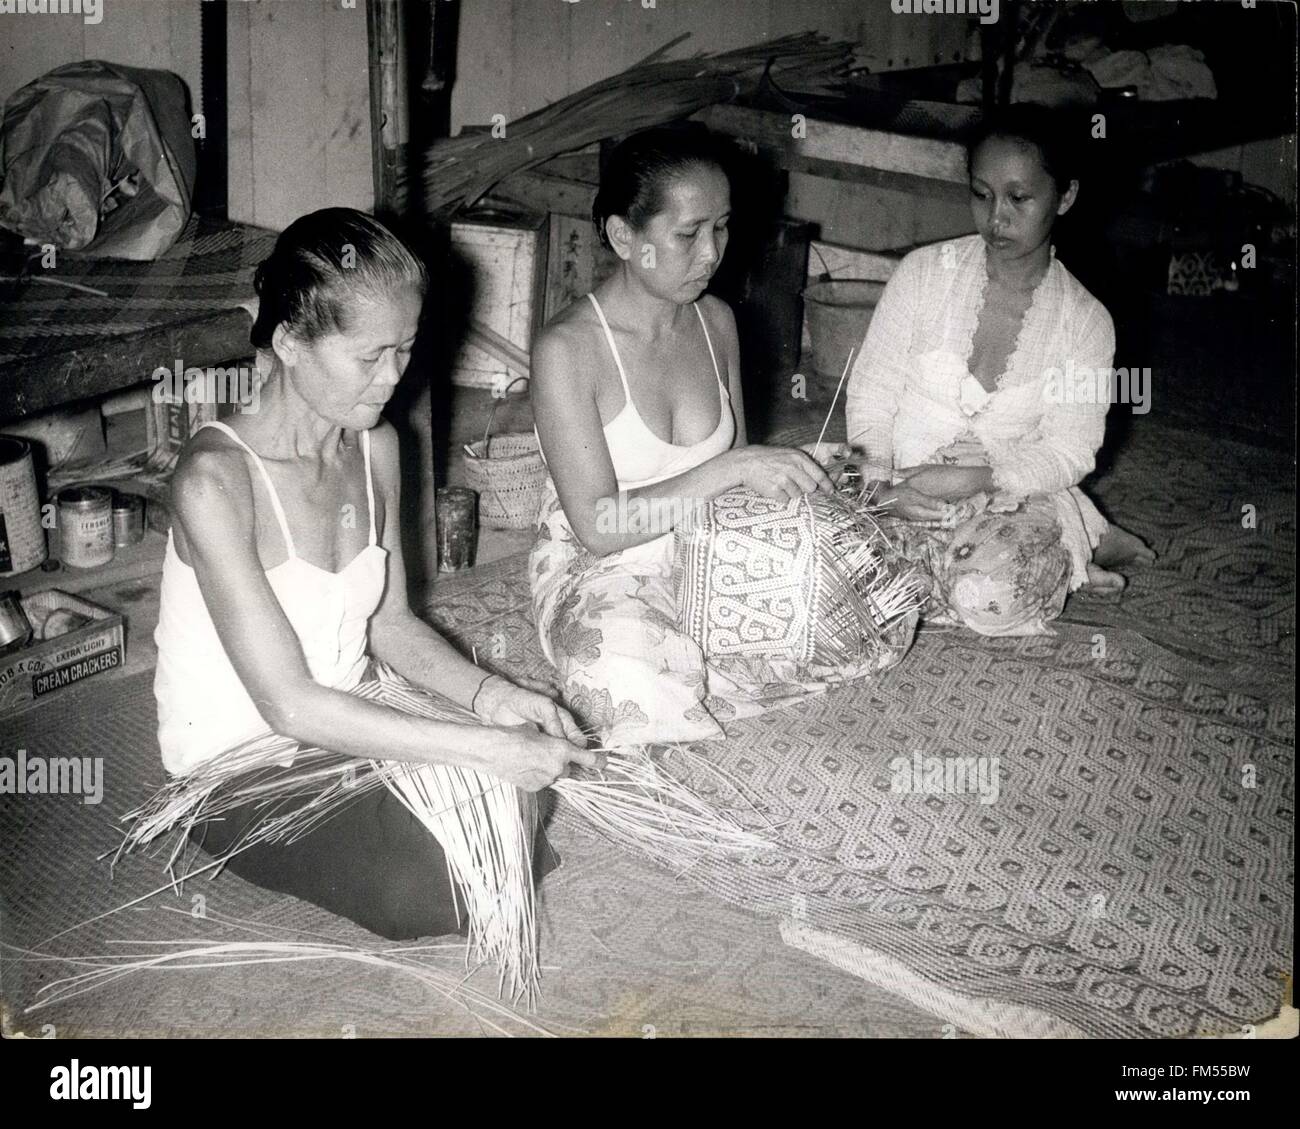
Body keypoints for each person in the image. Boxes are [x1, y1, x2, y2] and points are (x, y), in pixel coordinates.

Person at [153, 208, 598, 941]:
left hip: (343, 718)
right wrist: (483, 746)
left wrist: (494, 700)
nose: (395, 376)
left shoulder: (378, 445)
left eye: (406, 348)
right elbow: (289, 707)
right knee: (430, 885)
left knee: (509, 812)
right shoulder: (214, 482)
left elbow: (390, 624)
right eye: (370, 356)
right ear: (290, 341)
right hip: (242, 766)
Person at [529, 126, 880, 749]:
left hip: (707, 547)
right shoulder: (569, 350)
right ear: (622, 237)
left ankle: (701, 666)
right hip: (604, 563)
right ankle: (680, 669)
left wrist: (803, 496)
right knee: (625, 676)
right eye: (688, 234)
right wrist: (734, 469)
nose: (711, 252)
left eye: (721, 226)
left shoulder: (717, 320)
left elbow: (742, 474)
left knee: (865, 614)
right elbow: (600, 526)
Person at [845, 105, 1155, 637]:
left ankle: (1062, 540)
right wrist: (878, 487)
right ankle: (1076, 543)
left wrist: (975, 479)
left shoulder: (1085, 323)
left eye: (1019, 198)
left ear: (1066, 196)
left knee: (987, 595)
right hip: (896, 484)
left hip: (1006, 493)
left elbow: (1069, 451)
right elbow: (871, 398)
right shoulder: (922, 274)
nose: (995, 219)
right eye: (981, 194)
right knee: (799, 536)